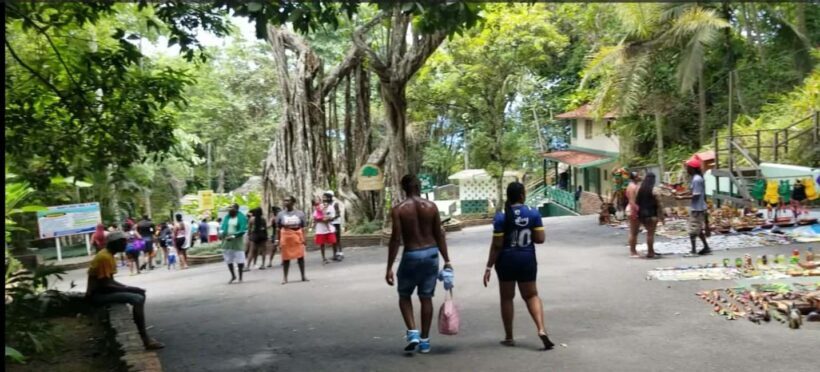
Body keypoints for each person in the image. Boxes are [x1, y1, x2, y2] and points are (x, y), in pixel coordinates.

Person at [482, 182, 555, 350]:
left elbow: (497, 245)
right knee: (531, 296)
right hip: (526, 259)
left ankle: (509, 337)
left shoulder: (501, 216)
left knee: (507, 298)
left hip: (506, 261)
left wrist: (488, 267)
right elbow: (540, 239)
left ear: (509, 196)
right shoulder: (533, 213)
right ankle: (541, 329)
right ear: (522, 195)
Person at [386, 175, 452, 354]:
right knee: (426, 297)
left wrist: (389, 267)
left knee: (404, 294)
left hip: (412, 254)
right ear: (419, 186)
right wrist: (447, 260)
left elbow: (395, 239)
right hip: (431, 254)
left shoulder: (399, 210)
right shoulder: (431, 207)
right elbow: (439, 234)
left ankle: (413, 332)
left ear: (403, 188)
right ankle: (425, 341)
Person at [86, 232, 164, 350]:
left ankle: (140, 327)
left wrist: (129, 288)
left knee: (139, 293)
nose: (125, 245)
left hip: (103, 291)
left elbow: (110, 281)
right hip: (98, 295)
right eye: (123, 242)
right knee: (137, 299)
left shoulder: (108, 255)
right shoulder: (104, 257)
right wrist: (129, 289)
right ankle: (144, 338)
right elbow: (105, 285)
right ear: (115, 244)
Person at [677, 157, 711, 256]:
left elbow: (695, 194)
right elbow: (694, 192)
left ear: (692, 168)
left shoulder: (696, 179)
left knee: (692, 229)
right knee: (698, 229)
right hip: (699, 207)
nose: (686, 169)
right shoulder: (697, 178)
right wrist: (682, 194)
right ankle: (706, 247)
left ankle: (693, 250)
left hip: (697, 208)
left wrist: (682, 198)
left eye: (687, 167)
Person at [277, 196, 308, 284]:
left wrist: (304, 238)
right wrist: (277, 240)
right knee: (286, 258)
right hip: (286, 237)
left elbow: (303, 227)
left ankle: (303, 276)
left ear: (293, 202)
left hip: (297, 236)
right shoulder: (281, 214)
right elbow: (278, 228)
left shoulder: (300, 213)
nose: (285, 202)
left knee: (300, 257)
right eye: (284, 200)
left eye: (288, 200)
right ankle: (285, 278)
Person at [635, 173, 665, 259]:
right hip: (652, 214)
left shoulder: (640, 189)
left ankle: (650, 251)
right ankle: (650, 252)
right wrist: (662, 216)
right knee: (650, 234)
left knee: (648, 233)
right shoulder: (654, 190)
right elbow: (660, 204)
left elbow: (637, 202)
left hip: (642, 215)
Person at [220, 204, 248, 284]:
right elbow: (222, 227)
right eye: (229, 208)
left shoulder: (241, 217)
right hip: (227, 241)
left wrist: (233, 236)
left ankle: (240, 277)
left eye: (231, 208)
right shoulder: (227, 217)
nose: (230, 209)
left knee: (240, 259)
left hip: (237, 241)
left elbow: (243, 230)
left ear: (236, 209)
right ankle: (233, 276)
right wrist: (221, 233)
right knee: (228, 259)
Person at [313, 197, 337, 264]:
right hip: (320, 229)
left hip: (329, 227)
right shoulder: (317, 208)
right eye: (323, 201)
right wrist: (322, 219)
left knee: (333, 241)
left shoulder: (330, 207)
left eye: (326, 201)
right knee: (322, 244)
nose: (324, 202)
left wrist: (327, 219)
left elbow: (333, 217)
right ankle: (323, 258)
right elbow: (315, 219)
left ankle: (335, 255)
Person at [625, 172, 642, 258]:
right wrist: (635, 211)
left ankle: (633, 250)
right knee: (633, 232)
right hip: (632, 209)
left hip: (632, 208)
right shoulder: (632, 187)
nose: (640, 177)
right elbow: (632, 201)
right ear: (635, 177)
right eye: (638, 175)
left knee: (634, 232)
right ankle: (633, 251)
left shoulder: (633, 185)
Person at [324, 192, 344, 261]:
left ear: (329, 197)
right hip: (330, 223)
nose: (324, 199)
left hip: (336, 223)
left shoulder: (335, 203)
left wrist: (331, 218)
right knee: (333, 239)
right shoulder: (326, 205)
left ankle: (340, 254)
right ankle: (335, 254)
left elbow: (338, 214)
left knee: (337, 238)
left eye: (325, 197)